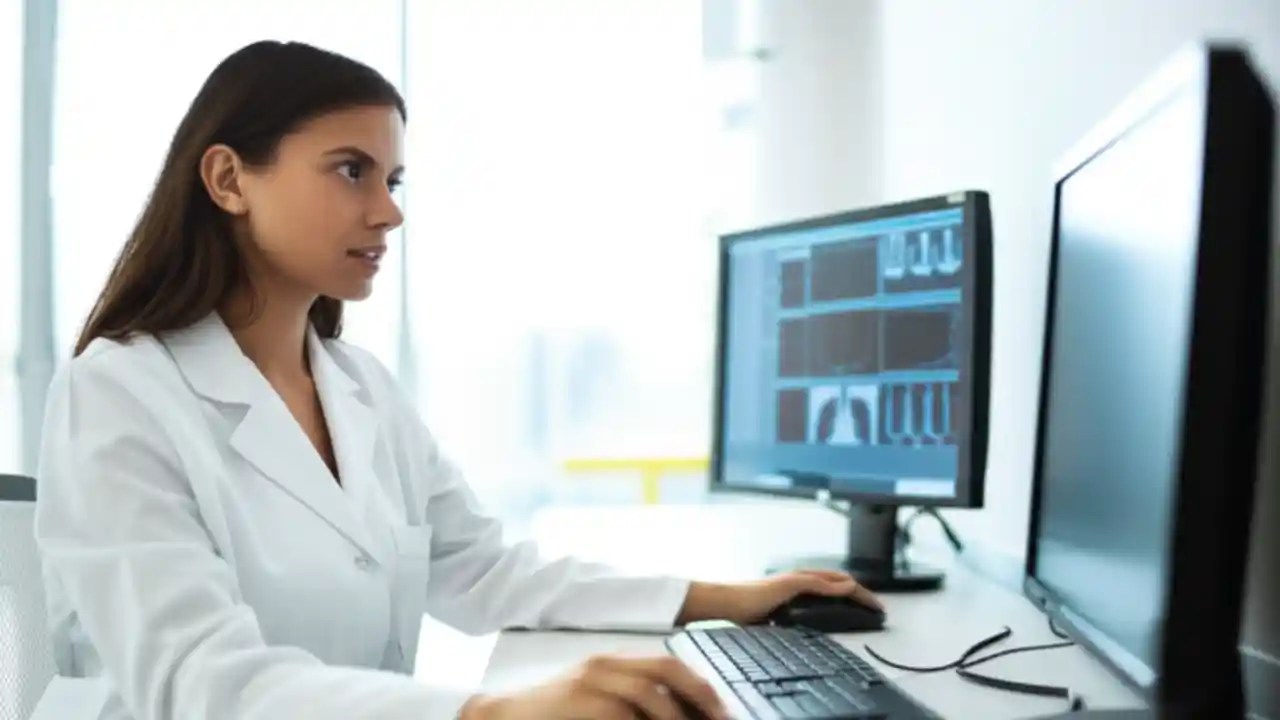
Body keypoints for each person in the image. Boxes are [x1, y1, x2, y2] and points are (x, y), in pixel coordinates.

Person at [34, 41, 881, 720]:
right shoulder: (118, 396)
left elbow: (489, 571)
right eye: (350, 169)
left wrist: (725, 598)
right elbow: (199, 684)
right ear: (227, 180)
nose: (389, 210)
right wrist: (496, 714)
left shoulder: (359, 388)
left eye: (392, 179)